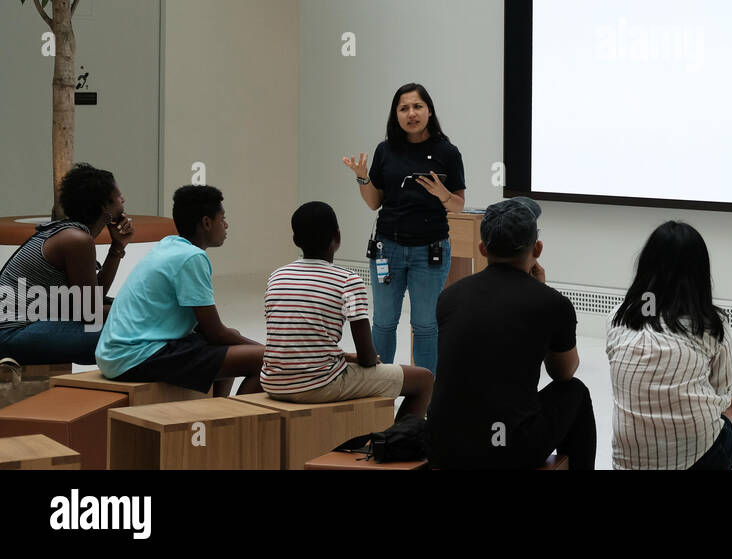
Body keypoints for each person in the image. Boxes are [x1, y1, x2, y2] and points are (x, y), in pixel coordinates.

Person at [425, 197, 596, 470]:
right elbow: (563, 373)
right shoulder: (552, 303)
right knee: (575, 392)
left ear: (482, 249)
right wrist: (542, 295)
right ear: (537, 248)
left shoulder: (449, 296)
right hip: (507, 450)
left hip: (441, 447)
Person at [606, 221, 732, 470]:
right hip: (694, 461)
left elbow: (646, 381)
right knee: (726, 427)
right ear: (700, 273)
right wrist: (727, 405)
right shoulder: (710, 325)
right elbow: (720, 393)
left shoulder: (618, 317)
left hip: (628, 463)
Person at [261, 201, 432, 420]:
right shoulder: (347, 281)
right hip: (319, 384)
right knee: (423, 379)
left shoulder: (277, 277)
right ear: (337, 237)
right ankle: (397, 443)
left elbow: (294, 338)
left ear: (295, 240)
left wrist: (343, 357)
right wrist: (363, 359)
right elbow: (368, 358)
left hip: (273, 383)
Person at [343, 82, 465, 375]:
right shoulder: (385, 150)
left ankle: (423, 396)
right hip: (388, 249)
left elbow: (458, 206)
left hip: (430, 251)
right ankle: (378, 392)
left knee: (425, 324)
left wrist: (442, 194)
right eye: (404, 108)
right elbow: (374, 203)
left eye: (417, 106)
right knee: (384, 321)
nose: (411, 113)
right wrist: (362, 178)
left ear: (429, 111)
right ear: (395, 115)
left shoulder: (447, 151)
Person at [95, 185, 263, 396]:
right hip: (136, 356)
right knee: (265, 361)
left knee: (235, 340)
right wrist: (272, 352)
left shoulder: (170, 245)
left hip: (114, 354)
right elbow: (216, 332)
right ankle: (234, 426)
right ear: (206, 222)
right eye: (223, 219)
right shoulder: (192, 257)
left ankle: (218, 413)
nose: (226, 225)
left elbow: (212, 332)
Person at [0, 164, 133, 365]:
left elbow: (93, 299)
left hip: (28, 327)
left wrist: (118, 246)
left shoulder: (71, 233)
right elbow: (91, 314)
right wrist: (141, 311)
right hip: (12, 334)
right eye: (119, 195)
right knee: (133, 337)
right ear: (104, 206)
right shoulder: (76, 239)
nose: (123, 199)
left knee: (127, 314)